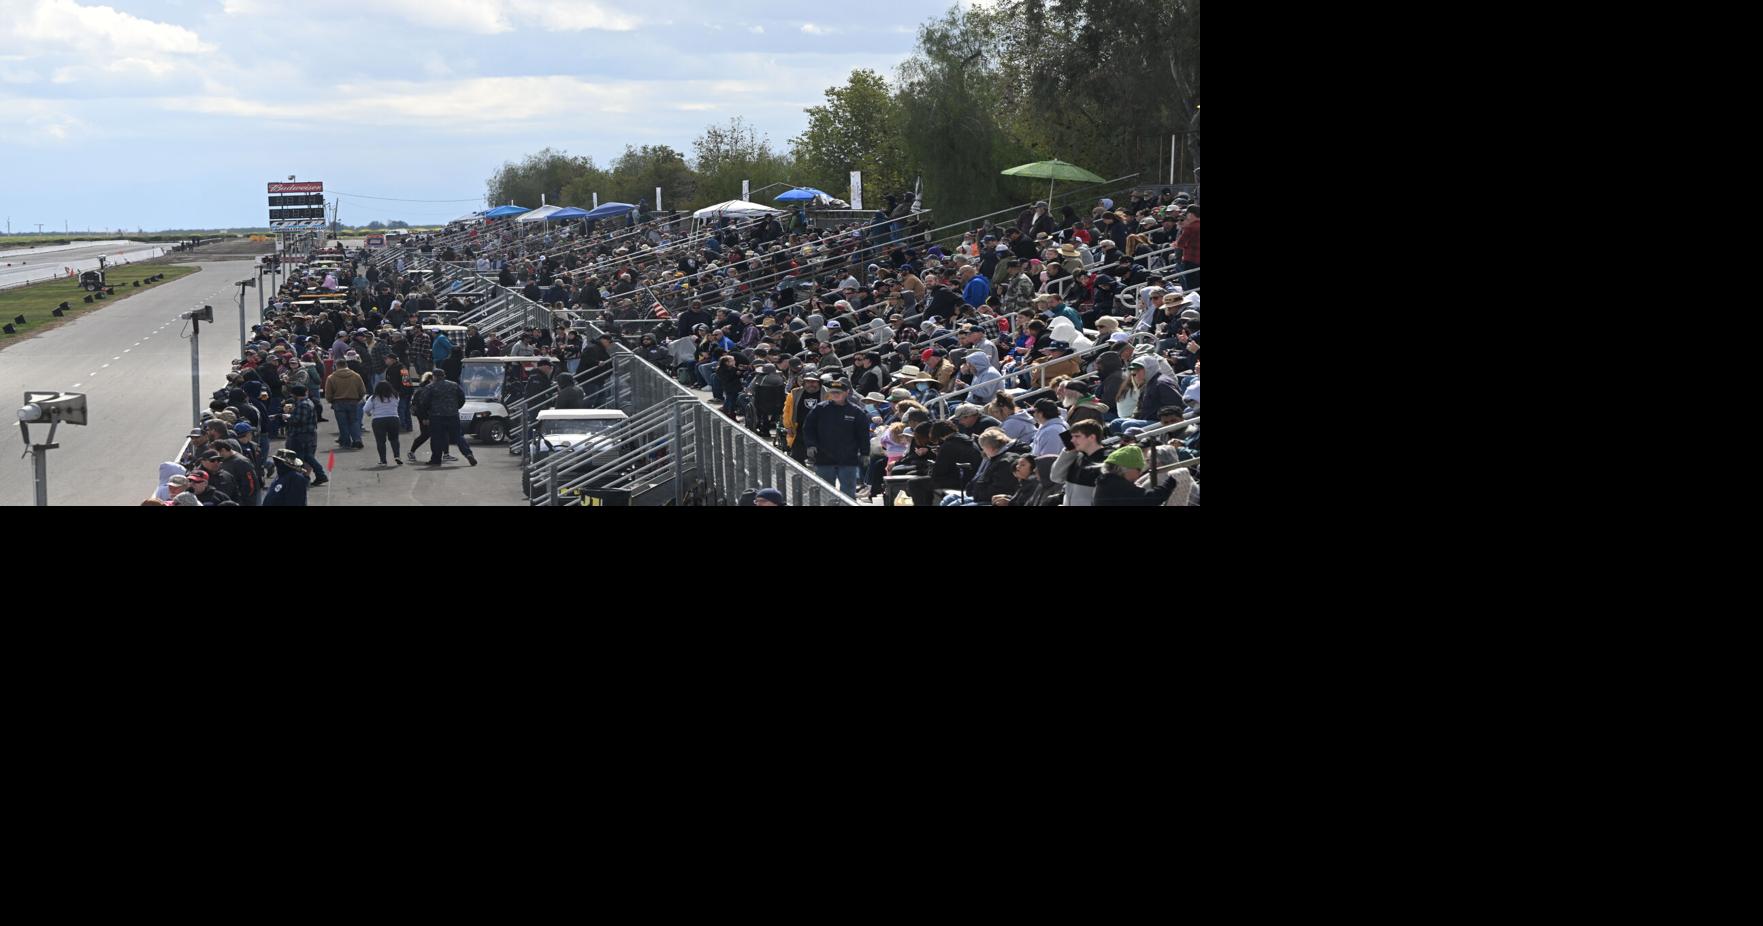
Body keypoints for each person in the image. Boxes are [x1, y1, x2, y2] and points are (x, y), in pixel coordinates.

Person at [803, 381, 869, 497]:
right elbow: (808, 428)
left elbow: (863, 434)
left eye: (838, 392)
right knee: (825, 491)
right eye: (833, 392)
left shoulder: (856, 412)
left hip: (848, 459)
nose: (835, 394)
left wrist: (865, 453)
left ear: (847, 392)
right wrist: (810, 444)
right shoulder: (820, 409)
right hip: (824, 458)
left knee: (848, 492)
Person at [1094, 444, 1186, 506]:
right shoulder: (1117, 486)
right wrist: (1172, 480)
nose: (1140, 473)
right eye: (1138, 469)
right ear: (1126, 468)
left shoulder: (1106, 482)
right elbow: (1151, 499)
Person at [421, 369, 477, 466]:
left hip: (436, 416)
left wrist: (425, 416)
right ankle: (468, 454)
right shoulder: (454, 385)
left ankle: (436, 459)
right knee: (458, 436)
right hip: (452, 415)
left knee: (436, 438)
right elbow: (462, 398)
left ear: (434, 376)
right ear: (444, 376)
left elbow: (424, 402)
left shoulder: (430, 387)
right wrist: (456, 407)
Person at [1049, 419, 1108, 506]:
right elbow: (1056, 477)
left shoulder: (1106, 461)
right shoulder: (1075, 456)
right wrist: (1068, 452)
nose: (1072, 440)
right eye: (1072, 436)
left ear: (1092, 437)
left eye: (1077, 436)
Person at [282, 385, 328, 486]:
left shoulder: (303, 405)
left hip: (301, 435)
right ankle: (318, 475)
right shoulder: (307, 402)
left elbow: (298, 420)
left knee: (302, 457)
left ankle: (312, 476)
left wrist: (287, 417)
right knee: (308, 456)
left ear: (295, 395)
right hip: (307, 434)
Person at [324, 356, 367, 449]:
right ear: (346, 365)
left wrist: (331, 401)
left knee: (342, 423)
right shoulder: (356, 376)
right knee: (354, 421)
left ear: (336, 366)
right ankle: (357, 439)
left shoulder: (331, 377)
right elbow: (362, 390)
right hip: (353, 401)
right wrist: (358, 398)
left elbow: (328, 393)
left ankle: (346, 441)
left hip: (338, 402)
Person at [365, 381, 404, 466]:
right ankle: (397, 456)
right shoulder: (395, 396)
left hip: (378, 420)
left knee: (380, 441)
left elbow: (366, 409)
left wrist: (369, 414)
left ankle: (383, 460)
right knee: (394, 439)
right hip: (393, 418)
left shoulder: (373, 398)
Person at [1175, 204, 1200, 290]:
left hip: (1191, 260)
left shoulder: (1190, 227)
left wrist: (1178, 244)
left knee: (1192, 286)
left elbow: (1180, 243)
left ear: (1191, 214)